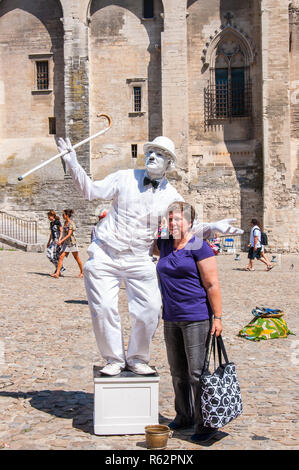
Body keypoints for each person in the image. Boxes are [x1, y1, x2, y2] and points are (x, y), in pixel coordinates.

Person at [56, 134, 242, 376]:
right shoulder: (124, 177)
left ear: (169, 164)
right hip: (105, 253)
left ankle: (136, 357)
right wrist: (72, 161)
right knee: (103, 309)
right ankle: (113, 358)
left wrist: (211, 228)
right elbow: (90, 191)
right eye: (150, 152)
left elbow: (184, 228)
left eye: (160, 154)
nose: (153, 157)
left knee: (151, 308)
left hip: (140, 257)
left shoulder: (173, 196)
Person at [154, 201, 223, 444]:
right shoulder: (163, 244)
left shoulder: (199, 245)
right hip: (171, 318)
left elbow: (212, 284)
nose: (173, 223)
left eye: (178, 219)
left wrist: (218, 317)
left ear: (190, 222)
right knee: (177, 372)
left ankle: (206, 424)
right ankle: (184, 415)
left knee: (197, 373)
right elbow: (139, 241)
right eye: (170, 219)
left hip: (196, 317)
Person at [51, 209, 84, 279]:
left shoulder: (71, 224)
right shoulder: (65, 223)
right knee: (61, 257)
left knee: (76, 258)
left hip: (72, 243)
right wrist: (61, 241)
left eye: (63, 215)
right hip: (66, 244)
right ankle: (57, 273)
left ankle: (82, 272)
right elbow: (64, 233)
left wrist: (61, 241)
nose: (62, 216)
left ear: (67, 215)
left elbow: (69, 235)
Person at [46, 210, 65, 275]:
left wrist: (60, 240)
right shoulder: (51, 223)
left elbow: (61, 231)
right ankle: (60, 268)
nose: (49, 218)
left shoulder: (57, 222)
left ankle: (58, 270)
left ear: (53, 216)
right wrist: (49, 242)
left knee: (55, 256)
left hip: (57, 241)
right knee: (49, 254)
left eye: (49, 217)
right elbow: (51, 233)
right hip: (53, 241)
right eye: (48, 217)